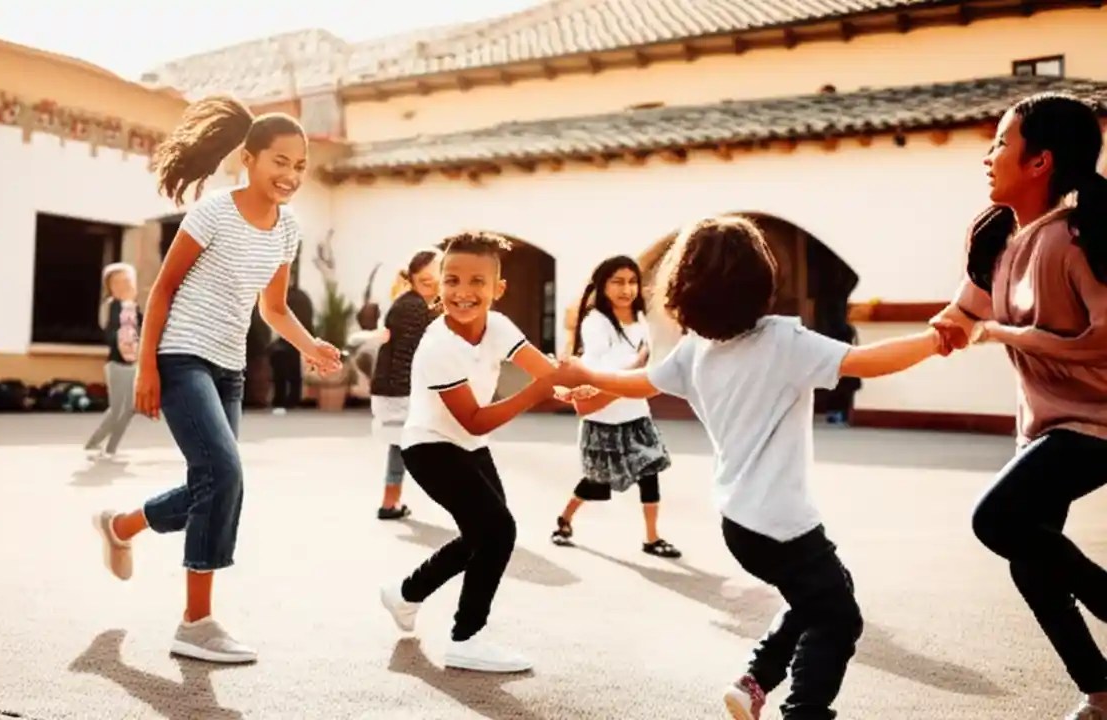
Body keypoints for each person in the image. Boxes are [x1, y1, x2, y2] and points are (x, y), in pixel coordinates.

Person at [560, 215, 963, 719]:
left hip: (739, 522)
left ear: (683, 291)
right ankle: (803, 711)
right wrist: (935, 340)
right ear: (764, 282)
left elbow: (640, 382)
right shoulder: (783, 342)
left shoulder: (694, 350)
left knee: (817, 595)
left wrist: (586, 376)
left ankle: (754, 682)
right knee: (838, 618)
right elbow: (868, 361)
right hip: (783, 522)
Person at [89, 96, 341, 664]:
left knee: (213, 482)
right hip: (182, 355)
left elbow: (273, 308)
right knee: (223, 473)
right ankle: (196, 623)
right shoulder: (214, 212)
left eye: (300, 167)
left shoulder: (287, 228)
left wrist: (311, 346)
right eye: (280, 161)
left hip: (230, 366)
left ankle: (123, 524)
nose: (291, 176)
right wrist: (148, 366)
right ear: (248, 159)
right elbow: (163, 289)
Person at [930, 92, 1107, 720]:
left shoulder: (1083, 234)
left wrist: (1001, 334)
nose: (989, 154)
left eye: (1002, 142)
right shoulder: (997, 234)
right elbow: (963, 314)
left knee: (996, 520)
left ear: (1040, 162)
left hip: (1098, 423)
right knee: (1031, 563)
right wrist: (942, 330)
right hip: (1045, 425)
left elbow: (1103, 335)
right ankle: (1102, 691)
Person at [378, 231, 580, 674]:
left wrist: (570, 388)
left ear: (497, 289)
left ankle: (406, 594)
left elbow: (543, 370)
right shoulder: (437, 347)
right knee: (498, 531)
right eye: (451, 280)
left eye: (476, 282)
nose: (462, 292)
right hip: (430, 447)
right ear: (438, 285)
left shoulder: (499, 325)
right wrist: (540, 392)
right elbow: (475, 418)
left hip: (469, 446)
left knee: (483, 535)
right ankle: (467, 638)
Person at [548, 255, 680, 558]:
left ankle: (652, 538)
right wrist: (639, 363)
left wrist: (646, 365)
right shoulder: (596, 323)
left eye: (632, 281)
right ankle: (565, 518)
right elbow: (601, 369)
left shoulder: (642, 320)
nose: (627, 289)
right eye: (618, 282)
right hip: (604, 419)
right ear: (603, 285)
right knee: (596, 484)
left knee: (650, 472)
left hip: (637, 414)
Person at [369, 249, 442, 520]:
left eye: (437, 275)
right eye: (425, 276)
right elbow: (415, 355)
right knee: (422, 447)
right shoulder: (414, 307)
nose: (432, 280)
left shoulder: (412, 303)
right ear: (412, 276)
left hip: (394, 389)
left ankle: (390, 503)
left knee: (402, 446)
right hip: (401, 390)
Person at [84, 262, 142, 458]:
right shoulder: (112, 306)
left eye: (128, 282)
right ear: (110, 287)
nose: (124, 287)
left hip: (133, 364)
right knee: (117, 408)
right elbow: (110, 331)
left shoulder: (135, 309)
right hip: (116, 364)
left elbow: (143, 330)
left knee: (129, 409)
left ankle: (111, 448)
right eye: (117, 283)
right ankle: (93, 443)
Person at [269, 284, 314, 415]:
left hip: (284, 337)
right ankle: (294, 398)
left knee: (280, 371)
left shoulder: (282, 296)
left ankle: (279, 400)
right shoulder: (303, 297)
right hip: (299, 337)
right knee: (294, 369)